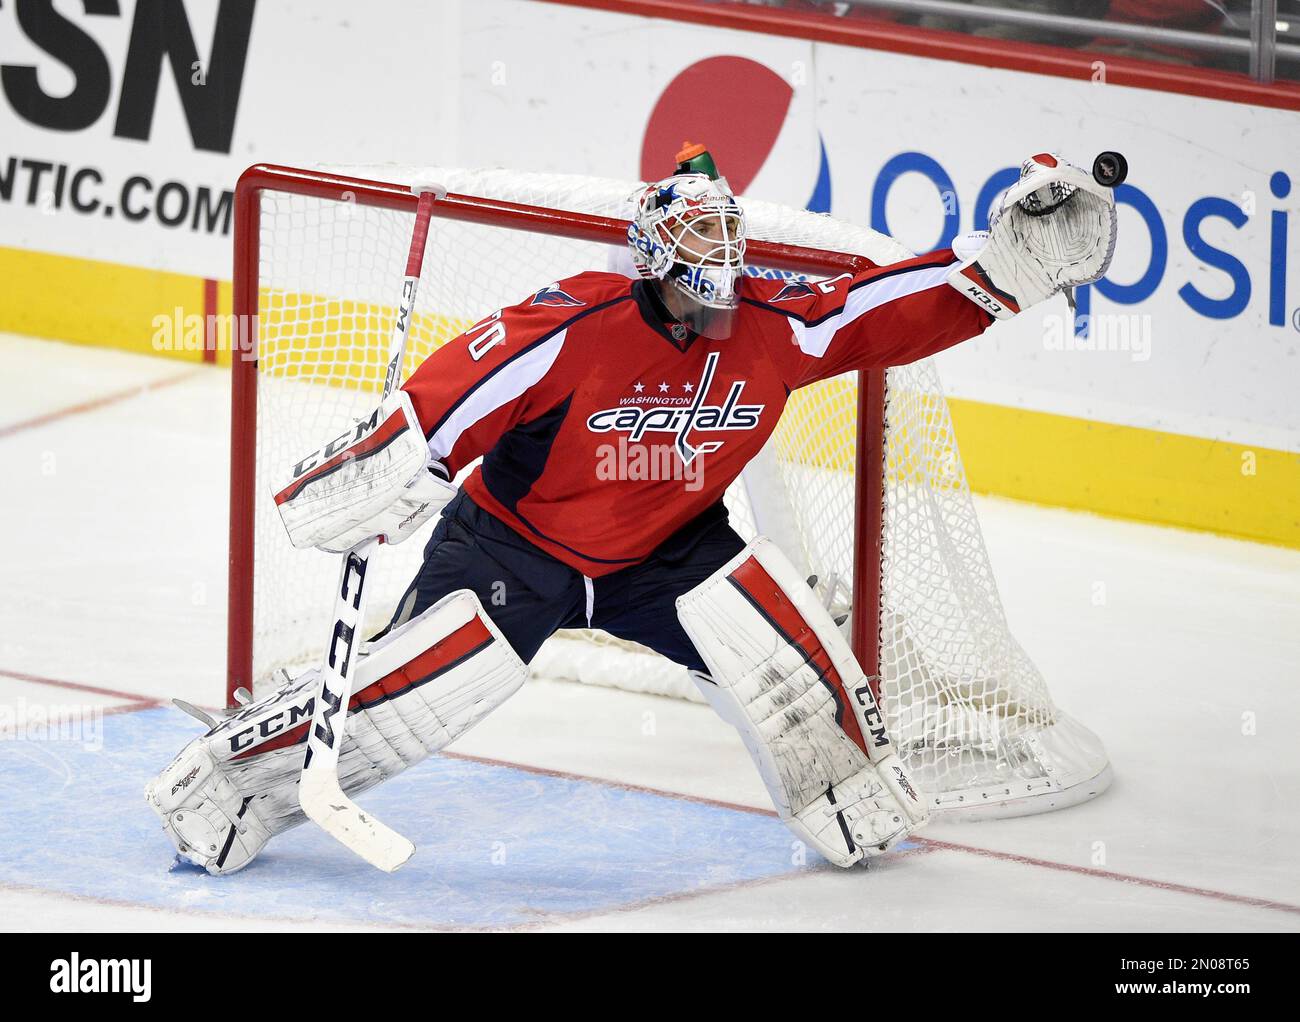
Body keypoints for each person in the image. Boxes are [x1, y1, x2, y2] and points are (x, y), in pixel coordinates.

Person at [147, 146, 1117, 874]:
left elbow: (884, 309)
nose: (722, 261)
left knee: (794, 665)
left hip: (668, 554)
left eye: (728, 241)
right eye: (700, 241)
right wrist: (389, 462)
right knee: (411, 699)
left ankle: (848, 796)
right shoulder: (575, 319)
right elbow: (451, 394)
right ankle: (220, 779)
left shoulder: (774, 326)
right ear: (651, 251)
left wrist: (1001, 265)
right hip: (514, 551)